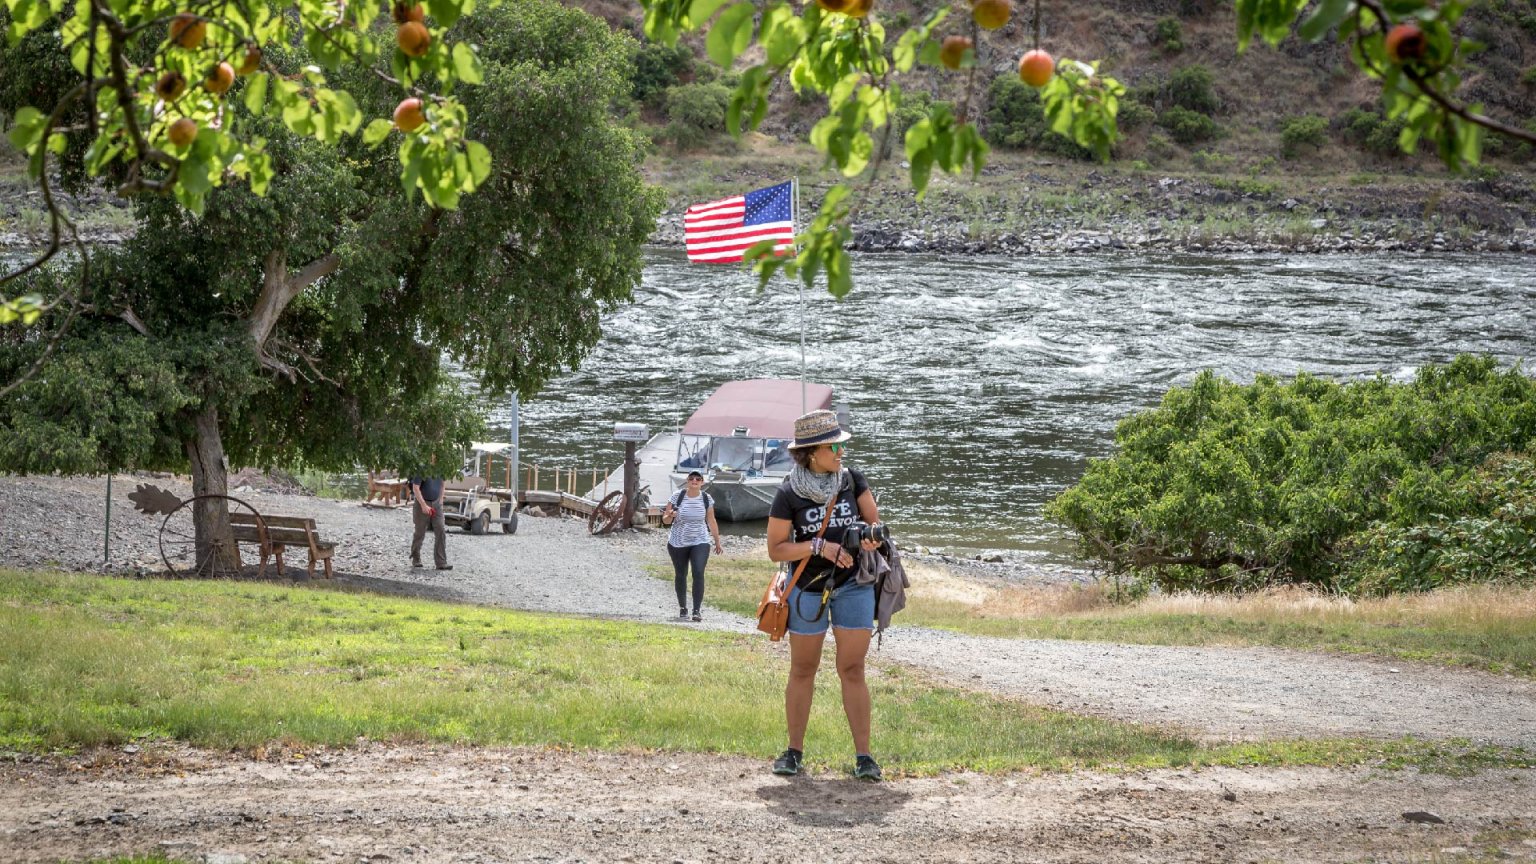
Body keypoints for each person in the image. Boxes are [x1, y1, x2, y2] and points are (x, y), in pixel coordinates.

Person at [765, 409, 886, 781]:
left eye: (841, 445)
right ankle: (794, 752)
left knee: (853, 669)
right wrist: (818, 546)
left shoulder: (852, 481)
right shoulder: (788, 493)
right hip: (807, 590)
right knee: (803, 669)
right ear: (812, 452)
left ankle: (864, 757)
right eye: (834, 446)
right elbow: (776, 549)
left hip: (853, 586)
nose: (840, 452)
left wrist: (869, 536)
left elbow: (876, 525)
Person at [662, 470, 723, 621]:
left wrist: (717, 541)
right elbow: (665, 521)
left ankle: (697, 610)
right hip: (678, 541)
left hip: (700, 540)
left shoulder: (706, 498)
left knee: (698, 571)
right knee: (681, 574)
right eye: (691, 479)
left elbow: (711, 520)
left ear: (702, 482)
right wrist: (670, 515)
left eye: (698, 479)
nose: (694, 481)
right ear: (687, 481)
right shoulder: (677, 496)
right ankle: (683, 608)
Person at [409, 473, 452, 570]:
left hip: (437, 503)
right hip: (421, 503)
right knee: (420, 532)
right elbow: (415, 488)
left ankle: (441, 562)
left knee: (441, 529)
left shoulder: (441, 467)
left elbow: (442, 483)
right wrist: (423, 505)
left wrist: (441, 499)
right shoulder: (422, 468)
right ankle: (416, 558)